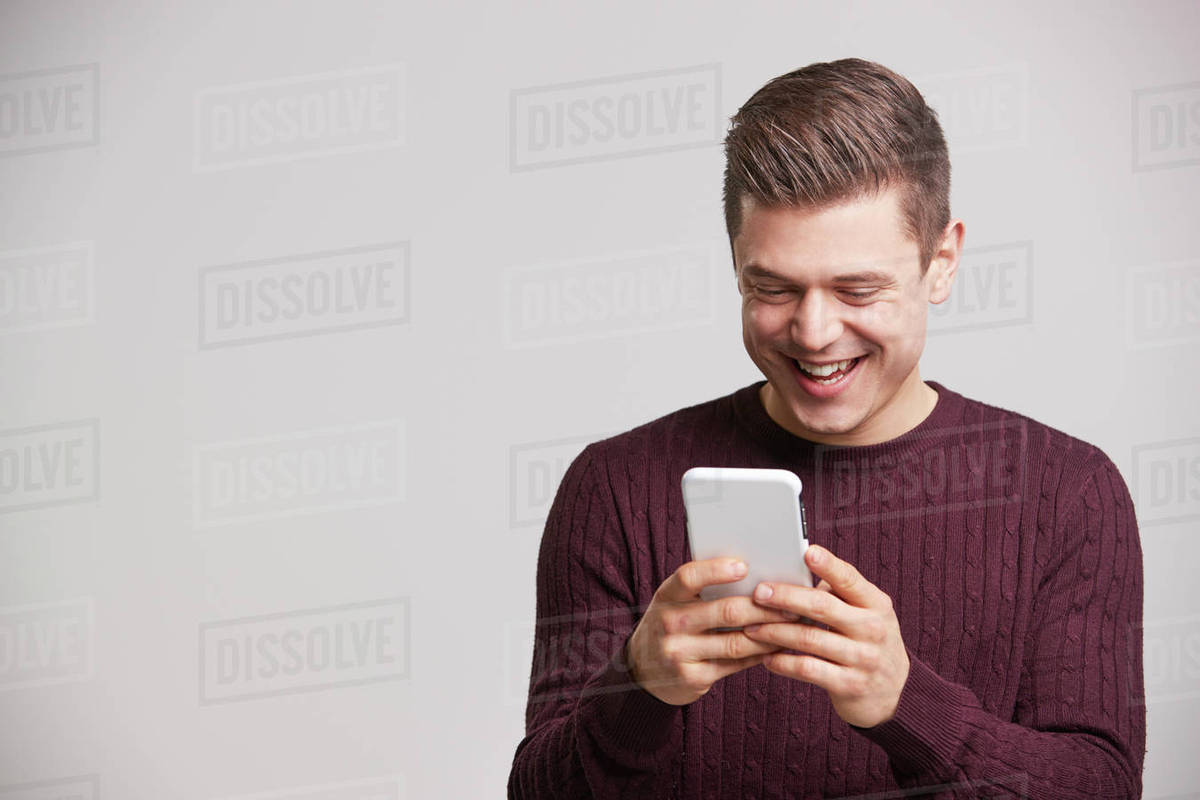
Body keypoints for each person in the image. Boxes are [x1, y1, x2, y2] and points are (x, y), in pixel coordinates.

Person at [507, 58, 1146, 799]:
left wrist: (909, 707)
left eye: (858, 289)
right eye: (772, 288)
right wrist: (637, 689)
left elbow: (1102, 787)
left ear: (941, 263)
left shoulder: (1068, 495)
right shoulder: (614, 489)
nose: (813, 333)